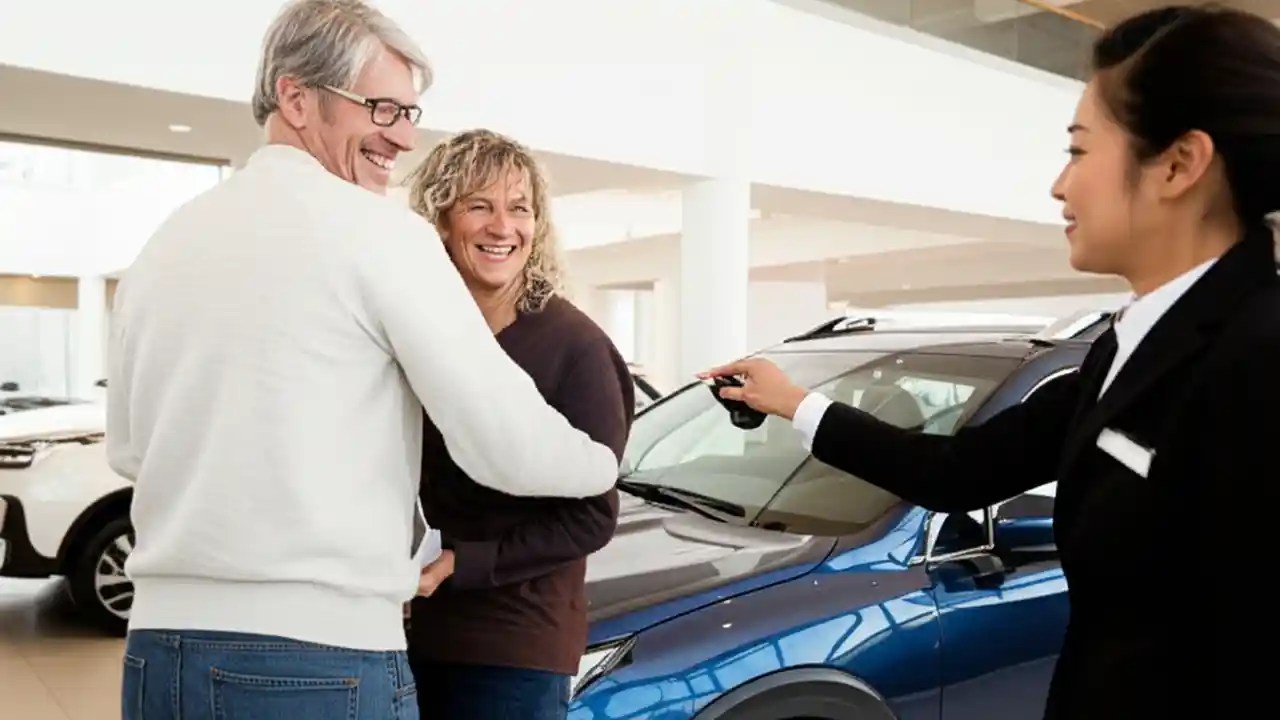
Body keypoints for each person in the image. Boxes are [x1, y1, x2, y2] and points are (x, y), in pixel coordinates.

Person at [701, 6, 1278, 720]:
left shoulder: (1259, 358)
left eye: (1078, 150)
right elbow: (961, 471)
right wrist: (794, 401)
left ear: (1178, 164)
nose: (1059, 187)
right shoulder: (1120, 352)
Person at [106, 2, 620, 718]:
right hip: (315, 658)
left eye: (411, 113)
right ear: (295, 96)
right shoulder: (379, 234)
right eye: (382, 109)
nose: (403, 138)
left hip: (157, 652)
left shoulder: (165, 244)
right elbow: (502, 446)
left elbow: (129, 451)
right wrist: (602, 463)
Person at [399, 130, 633, 720]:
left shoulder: (576, 347)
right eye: (479, 205)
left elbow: (593, 515)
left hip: (513, 645)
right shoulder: (424, 332)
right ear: (442, 220)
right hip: (408, 628)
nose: (502, 226)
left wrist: (466, 562)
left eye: (519, 208)